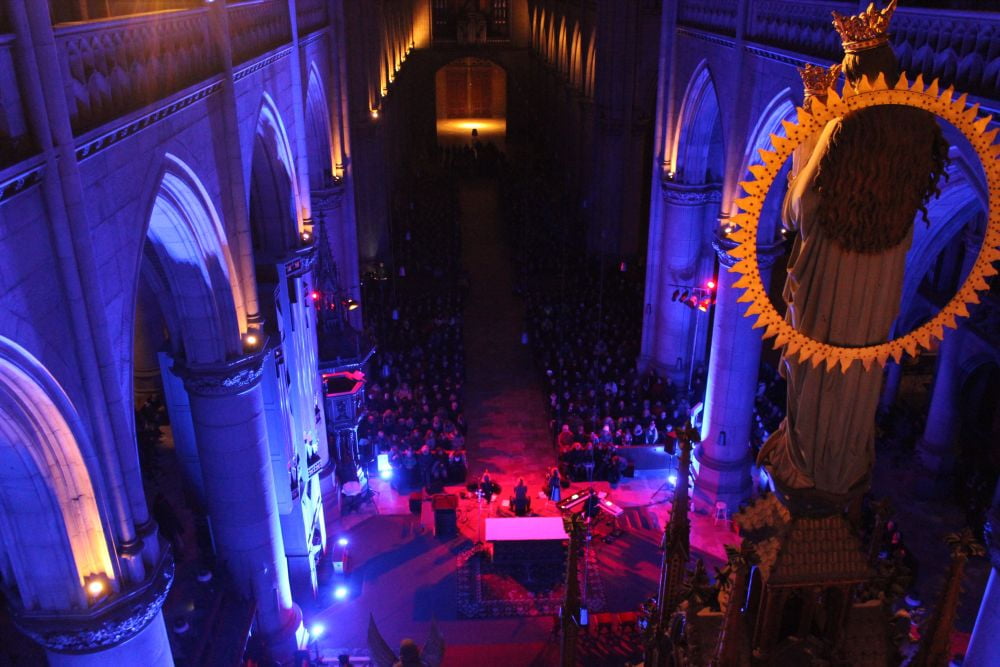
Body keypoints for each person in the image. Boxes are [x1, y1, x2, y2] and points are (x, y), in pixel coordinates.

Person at [758, 0, 948, 508]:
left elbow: (799, 208)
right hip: (878, 281)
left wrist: (814, 117)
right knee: (856, 375)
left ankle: (809, 461)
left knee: (818, 372)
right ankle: (840, 462)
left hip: (829, 276)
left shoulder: (847, 125)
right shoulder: (916, 129)